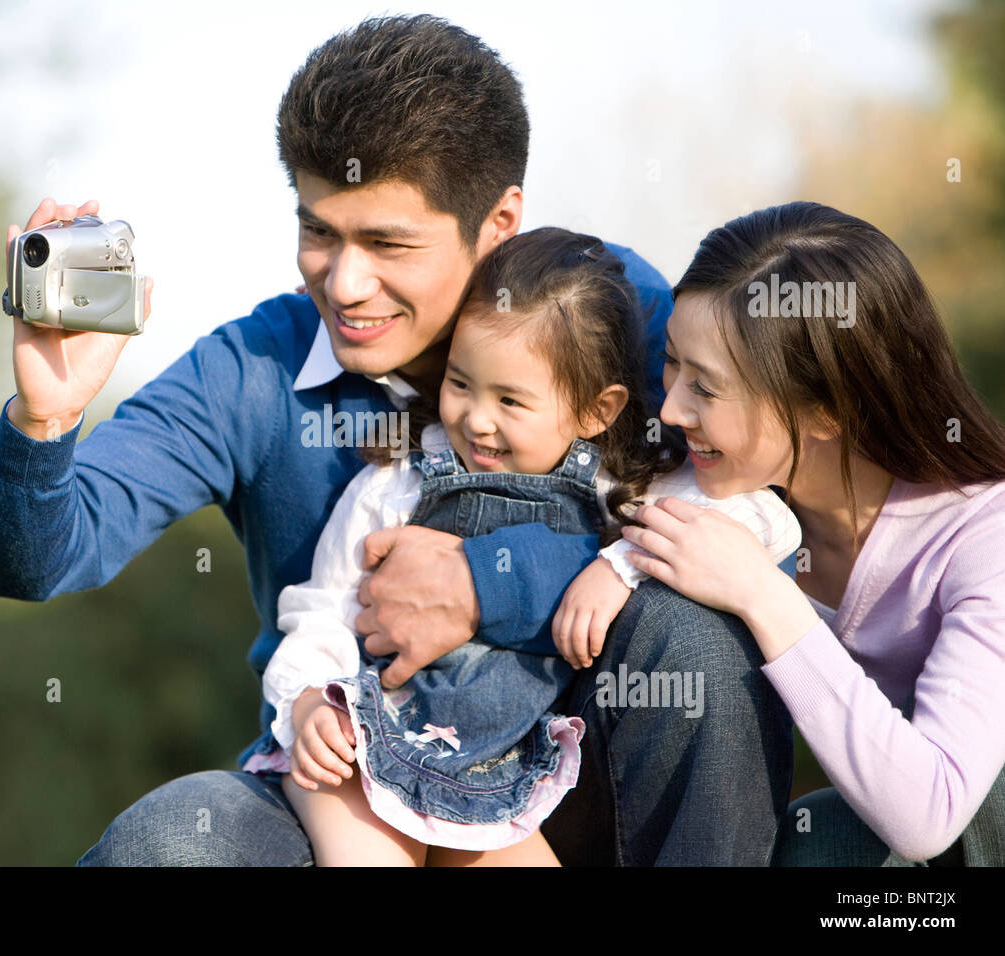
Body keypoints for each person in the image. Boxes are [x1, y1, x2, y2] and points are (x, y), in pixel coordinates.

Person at [0, 14, 796, 866]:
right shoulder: (251, 370)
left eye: (388, 242)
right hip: (350, 777)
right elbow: (29, 562)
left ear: (498, 220)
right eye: (319, 231)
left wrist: (487, 584)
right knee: (174, 840)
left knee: (696, 635)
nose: (346, 283)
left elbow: (747, 518)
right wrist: (47, 417)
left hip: (585, 775)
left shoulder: (607, 311)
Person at [253, 228, 802, 866]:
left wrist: (620, 564)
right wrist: (309, 700)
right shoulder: (397, 484)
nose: (477, 419)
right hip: (368, 739)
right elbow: (321, 607)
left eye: (511, 400)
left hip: (508, 773)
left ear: (598, 409)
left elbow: (763, 518)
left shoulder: (617, 489)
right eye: (461, 384)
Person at [615, 201, 1005, 865]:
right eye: (672, 363)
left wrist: (762, 596)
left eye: (706, 389)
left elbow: (931, 814)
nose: (673, 408)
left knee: (825, 842)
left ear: (826, 410)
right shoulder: (731, 487)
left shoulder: (982, 537)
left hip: (971, 826)